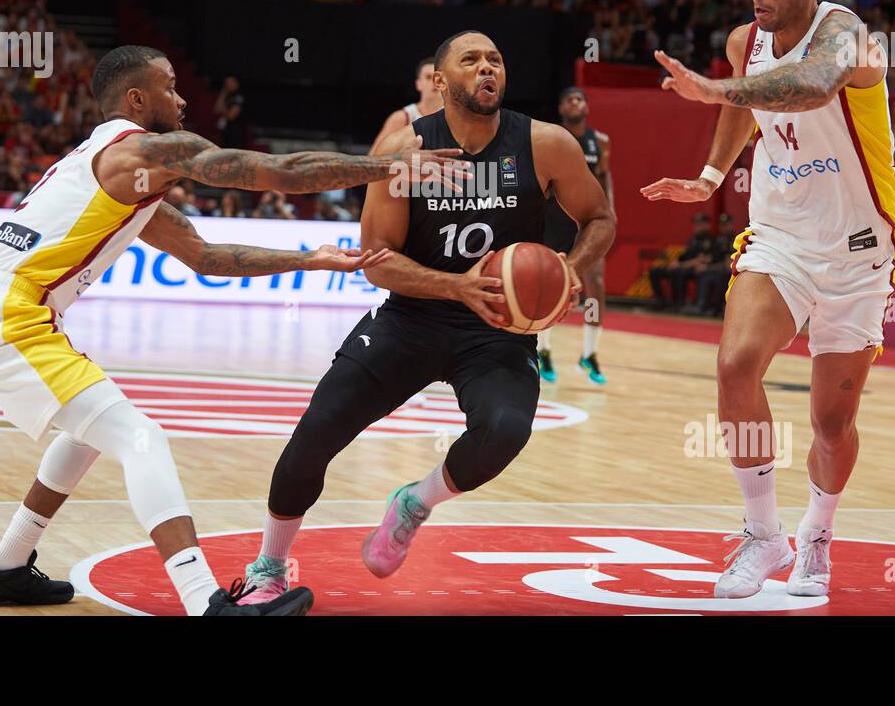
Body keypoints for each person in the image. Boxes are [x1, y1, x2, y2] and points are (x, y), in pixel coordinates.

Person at [0, 45, 468, 617]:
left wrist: (309, 260)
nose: (183, 96)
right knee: (142, 438)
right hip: (8, 315)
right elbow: (282, 173)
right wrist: (391, 166)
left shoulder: (121, 172)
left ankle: (5, 567)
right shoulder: (142, 150)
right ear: (137, 98)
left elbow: (207, 256)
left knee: (87, 435)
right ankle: (205, 604)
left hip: (2, 311)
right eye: (170, 86)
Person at [236, 31, 615, 605]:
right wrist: (454, 286)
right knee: (313, 438)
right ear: (439, 82)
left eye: (496, 60)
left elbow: (601, 218)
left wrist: (573, 268)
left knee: (506, 432)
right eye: (471, 61)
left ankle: (415, 502)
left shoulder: (545, 144)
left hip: (497, 331)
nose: (487, 68)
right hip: (410, 320)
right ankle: (269, 566)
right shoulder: (404, 148)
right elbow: (378, 261)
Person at [643, 0, 895, 599]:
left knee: (830, 421)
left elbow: (813, 87)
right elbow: (745, 106)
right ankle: (764, 533)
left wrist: (722, 90)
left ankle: (817, 534)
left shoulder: (847, 35)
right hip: (780, 233)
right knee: (734, 363)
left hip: (857, 248)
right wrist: (708, 173)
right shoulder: (744, 41)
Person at [539, 86, 614, 384]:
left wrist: (610, 212)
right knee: (548, 286)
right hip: (553, 220)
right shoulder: (551, 138)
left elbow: (605, 179)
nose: (575, 103)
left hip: (586, 223)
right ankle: (543, 348)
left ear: (586, 106)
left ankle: (589, 354)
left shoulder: (601, 142)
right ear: (561, 108)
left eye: (580, 99)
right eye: (569, 99)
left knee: (595, 284)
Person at [648, 213, 719, 311]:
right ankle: (661, 301)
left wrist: (681, 265)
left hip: (698, 270)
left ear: (707, 225)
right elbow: (684, 255)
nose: (697, 226)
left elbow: (702, 260)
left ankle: (679, 303)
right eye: (696, 224)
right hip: (684, 266)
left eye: (700, 224)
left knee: (678, 272)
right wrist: (675, 262)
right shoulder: (693, 239)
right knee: (654, 271)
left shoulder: (711, 240)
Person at [370, 58, 444, 151]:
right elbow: (373, 158)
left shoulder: (456, 117)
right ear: (418, 84)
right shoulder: (402, 117)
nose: (434, 82)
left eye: (438, 78)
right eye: (428, 77)